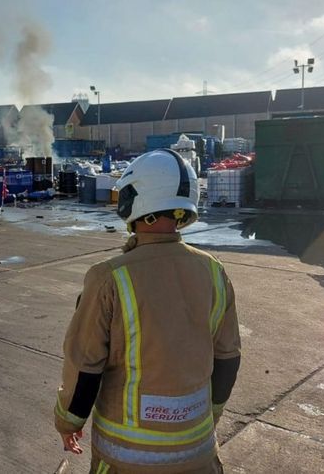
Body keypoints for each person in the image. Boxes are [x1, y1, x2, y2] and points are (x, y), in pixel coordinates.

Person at [54, 149, 241, 474]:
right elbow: (228, 357)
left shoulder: (108, 278)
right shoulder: (213, 272)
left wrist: (68, 419)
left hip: (127, 460)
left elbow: (84, 366)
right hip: (199, 456)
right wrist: (208, 417)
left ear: (135, 203)